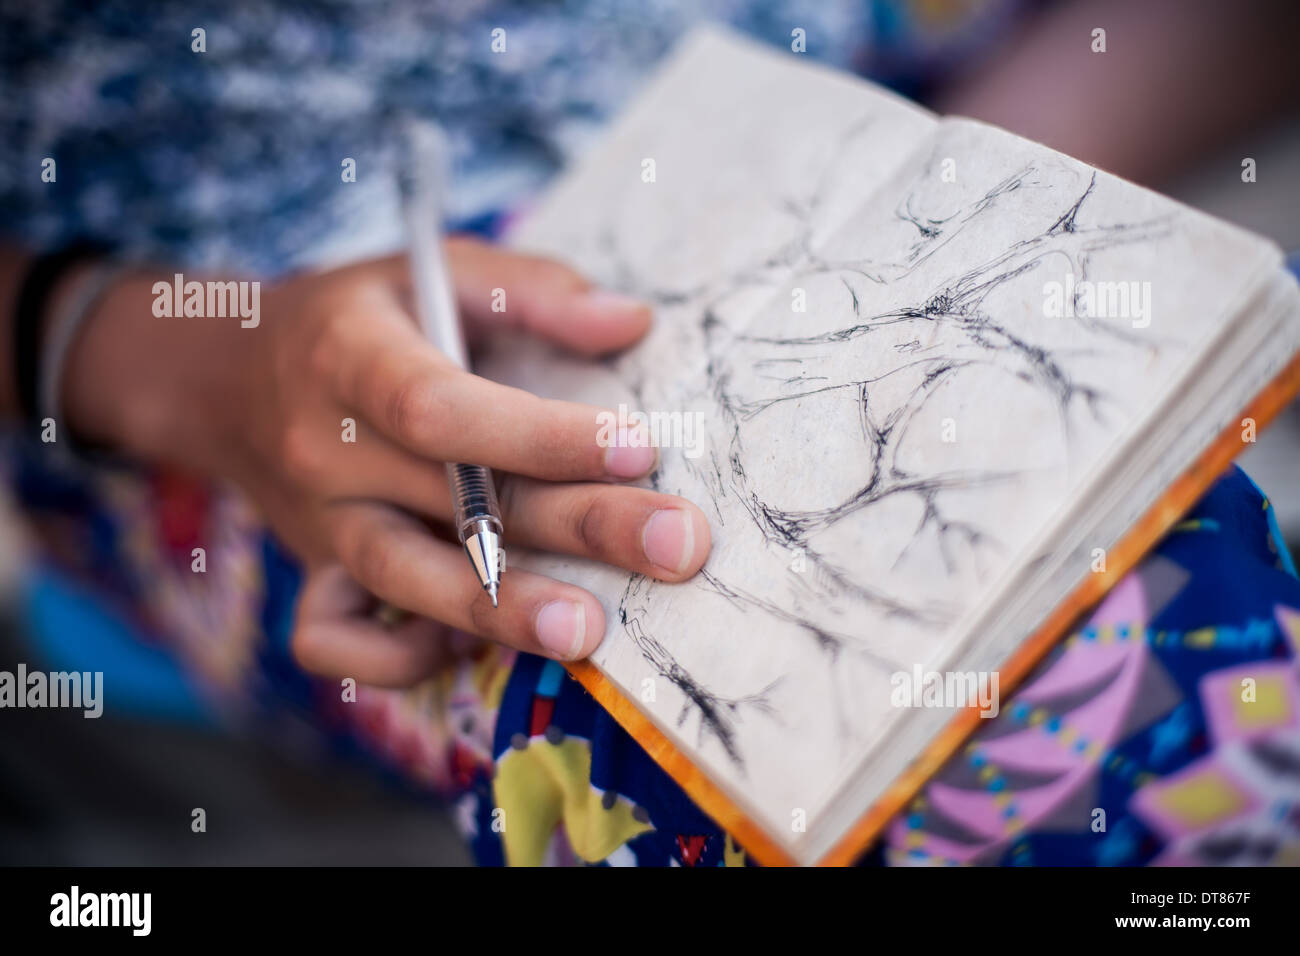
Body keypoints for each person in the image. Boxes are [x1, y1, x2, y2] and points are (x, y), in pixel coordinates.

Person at [3, 0, 1299, 866]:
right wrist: (158, 362)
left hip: (845, 88)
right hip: (244, 316)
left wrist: (968, 202)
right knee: (1057, 755)